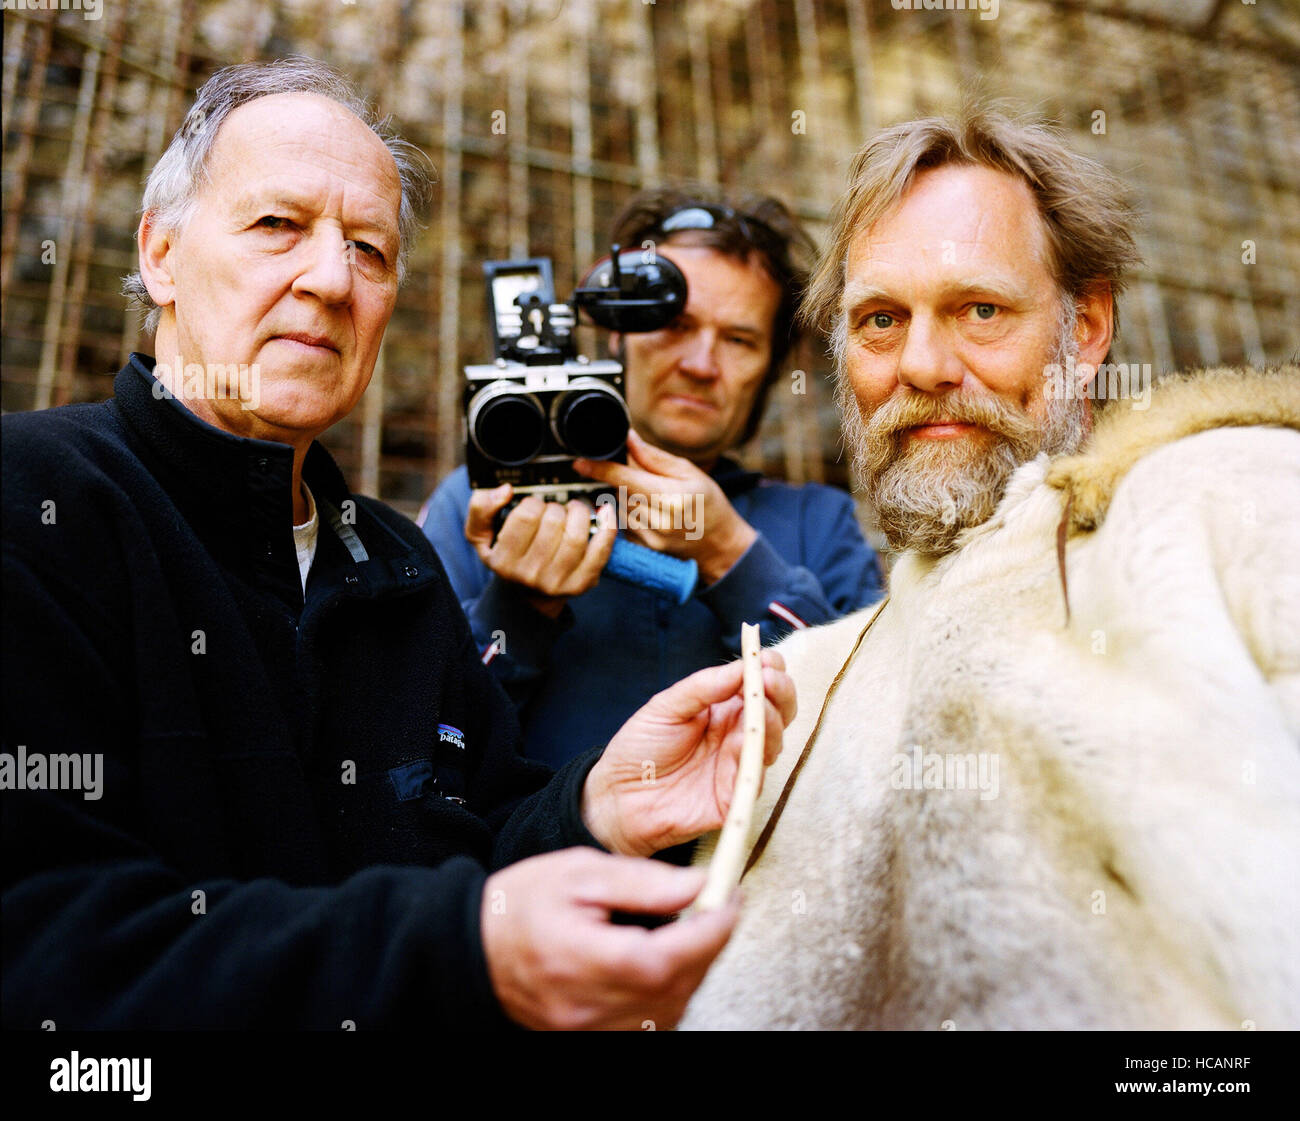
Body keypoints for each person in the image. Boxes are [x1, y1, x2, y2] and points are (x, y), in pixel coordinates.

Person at [0, 58, 799, 1032]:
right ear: (160, 253)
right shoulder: (35, 503)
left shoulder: (392, 562)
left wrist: (600, 802)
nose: (332, 279)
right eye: (276, 225)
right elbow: (45, 949)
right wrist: (462, 945)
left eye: (371, 251)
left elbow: (480, 844)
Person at [679, 106, 1300, 1030]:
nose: (923, 364)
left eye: (980, 309)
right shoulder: (795, 686)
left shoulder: (1227, 498)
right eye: (881, 320)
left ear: (1086, 329)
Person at [419, 188, 883, 769]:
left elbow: (872, 736)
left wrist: (730, 556)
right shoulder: (482, 503)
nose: (700, 364)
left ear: (769, 372)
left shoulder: (819, 523)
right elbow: (426, 746)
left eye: (739, 340)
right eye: (673, 324)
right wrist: (519, 607)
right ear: (617, 332)